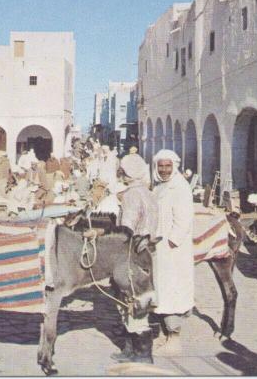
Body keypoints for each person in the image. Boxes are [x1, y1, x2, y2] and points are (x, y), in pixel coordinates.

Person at [112, 153, 159, 364]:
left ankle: (142, 354)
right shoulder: (148, 193)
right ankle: (131, 349)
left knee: (130, 301)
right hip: (147, 253)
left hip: (132, 253)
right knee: (139, 300)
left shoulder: (131, 195)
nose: (120, 174)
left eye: (123, 170)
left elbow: (126, 229)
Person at [151, 149, 194, 356]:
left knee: (173, 291)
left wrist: (171, 243)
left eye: (168, 166)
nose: (165, 170)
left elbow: (183, 221)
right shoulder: (160, 187)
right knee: (161, 290)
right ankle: (164, 333)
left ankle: (175, 339)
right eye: (161, 166)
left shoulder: (180, 187)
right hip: (160, 249)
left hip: (173, 251)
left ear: (174, 166)